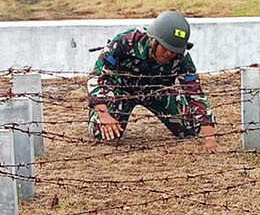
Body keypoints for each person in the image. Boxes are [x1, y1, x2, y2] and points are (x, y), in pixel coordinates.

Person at [87, 11, 216, 152]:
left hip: (157, 92)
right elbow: (97, 77)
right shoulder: (125, 42)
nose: (169, 54)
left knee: (190, 130)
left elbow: (195, 93)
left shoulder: (181, 57)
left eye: (173, 51)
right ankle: (97, 115)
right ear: (154, 40)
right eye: (165, 48)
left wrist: (210, 138)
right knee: (102, 134)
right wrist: (103, 113)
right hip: (121, 91)